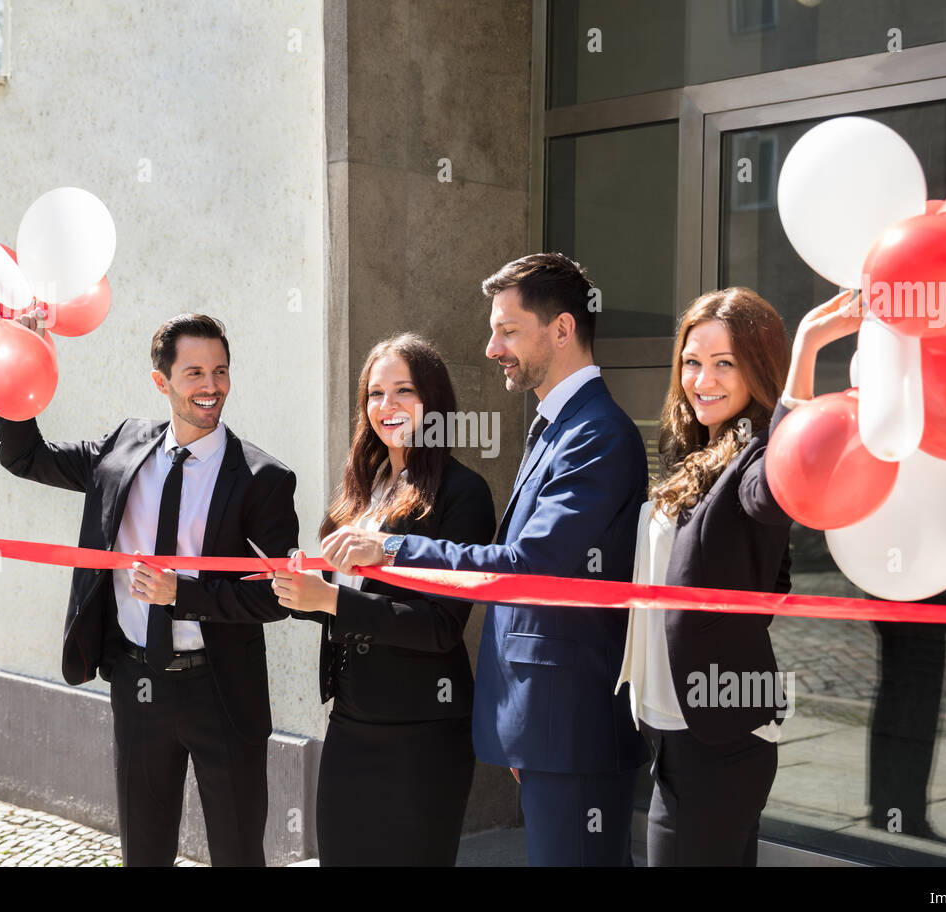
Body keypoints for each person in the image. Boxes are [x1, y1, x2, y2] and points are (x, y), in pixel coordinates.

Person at [322, 253, 648, 867]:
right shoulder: (556, 425)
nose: (492, 345)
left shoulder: (597, 433)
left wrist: (389, 548)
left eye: (507, 329)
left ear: (561, 330)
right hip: (548, 724)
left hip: (573, 726)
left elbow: (528, 563)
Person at [0, 312, 299, 866]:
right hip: (138, 682)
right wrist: (14, 359)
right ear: (161, 381)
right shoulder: (122, 451)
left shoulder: (263, 479)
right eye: (195, 373)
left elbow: (277, 596)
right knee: (145, 850)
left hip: (222, 690)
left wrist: (182, 594)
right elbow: (25, 456)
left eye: (221, 371)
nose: (211, 387)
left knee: (237, 852)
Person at [617, 287, 860, 866]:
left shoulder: (756, 455)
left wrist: (807, 350)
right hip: (670, 724)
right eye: (693, 361)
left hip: (715, 735)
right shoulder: (689, 449)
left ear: (759, 369)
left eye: (725, 363)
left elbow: (777, 487)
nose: (703, 378)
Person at [270, 333, 496, 865]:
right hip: (350, 721)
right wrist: (302, 592)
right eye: (374, 393)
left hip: (423, 731)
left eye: (403, 391)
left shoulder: (463, 494)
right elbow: (346, 600)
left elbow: (440, 626)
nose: (386, 406)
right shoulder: (361, 489)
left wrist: (330, 601)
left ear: (434, 401)